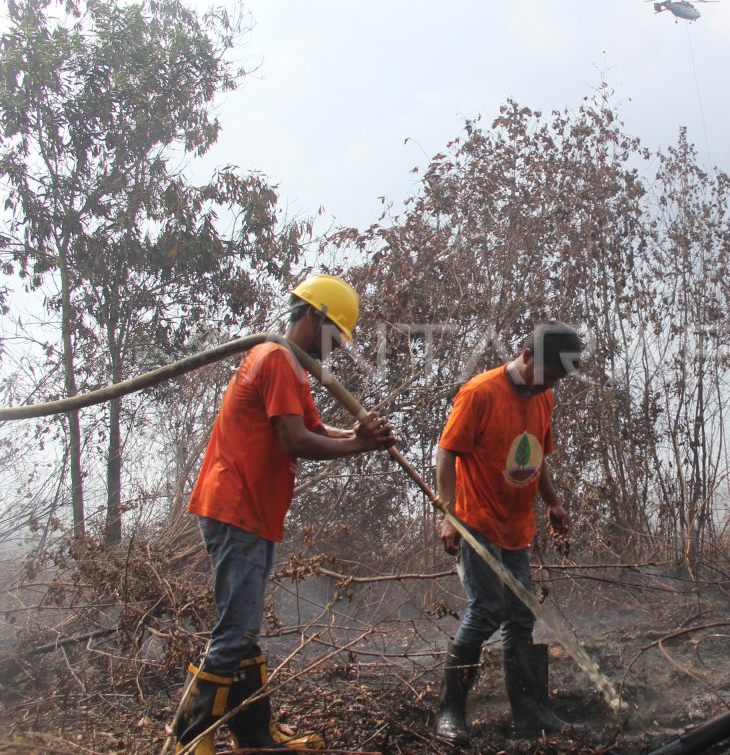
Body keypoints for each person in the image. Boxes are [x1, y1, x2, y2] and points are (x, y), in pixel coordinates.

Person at [173, 275, 397, 754]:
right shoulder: (275, 358)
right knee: (235, 631)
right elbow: (295, 441)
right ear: (314, 316)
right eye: (335, 334)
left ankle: (255, 738)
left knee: (245, 630)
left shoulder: (293, 368)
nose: (336, 347)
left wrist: (363, 435)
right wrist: (360, 444)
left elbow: (315, 427)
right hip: (237, 507)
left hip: (252, 511)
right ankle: (187, 742)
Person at [433, 322, 584, 747]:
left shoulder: (544, 398)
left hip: (517, 526)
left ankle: (529, 712)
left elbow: (536, 456)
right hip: (477, 521)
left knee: (521, 617)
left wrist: (553, 503)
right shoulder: (480, 393)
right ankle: (449, 713)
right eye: (550, 375)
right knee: (486, 610)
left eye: (558, 380)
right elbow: (448, 453)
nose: (551, 386)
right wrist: (449, 515)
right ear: (530, 356)